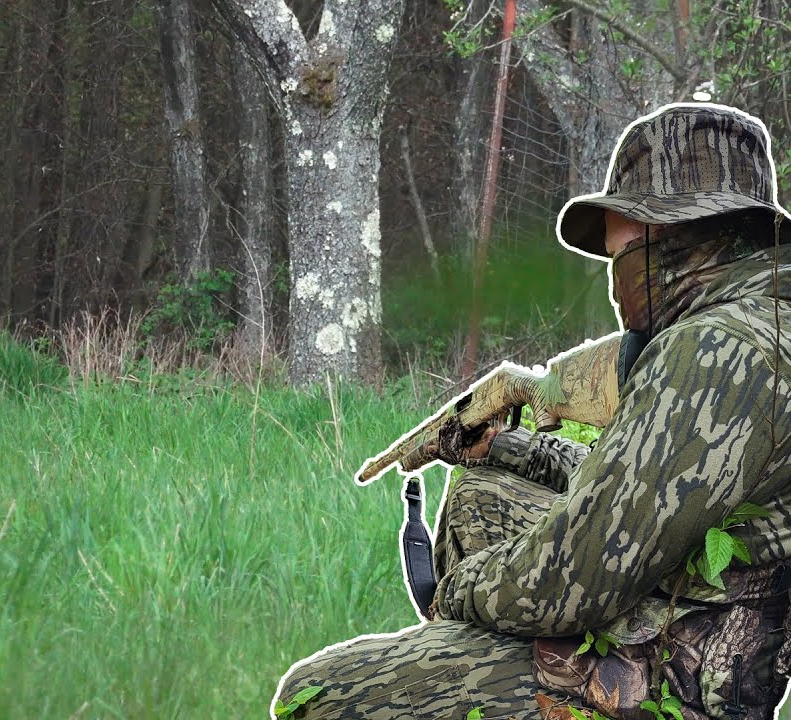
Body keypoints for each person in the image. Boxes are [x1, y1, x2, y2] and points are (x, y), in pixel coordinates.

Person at [272, 102, 791, 720]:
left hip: (663, 673)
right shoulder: (762, 320)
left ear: (675, 232)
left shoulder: (714, 350)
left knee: (318, 693)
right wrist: (509, 450)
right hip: (703, 621)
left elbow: (580, 573)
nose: (612, 273)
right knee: (477, 497)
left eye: (619, 245)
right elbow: (647, 486)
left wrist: (456, 594)